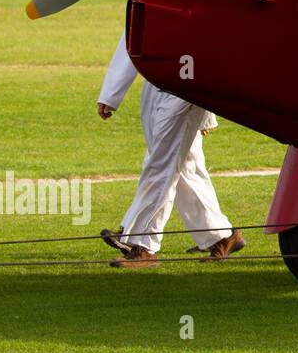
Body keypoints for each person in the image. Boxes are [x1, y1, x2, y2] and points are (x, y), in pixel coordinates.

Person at [97, 32, 244, 267]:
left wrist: (207, 112)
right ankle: (221, 236)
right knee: (185, 166)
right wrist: (111, 93)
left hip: (186, 84)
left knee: (161, 164)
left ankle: (142, 245)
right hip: (155, 79)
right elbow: (134, 30)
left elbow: (213, 30)